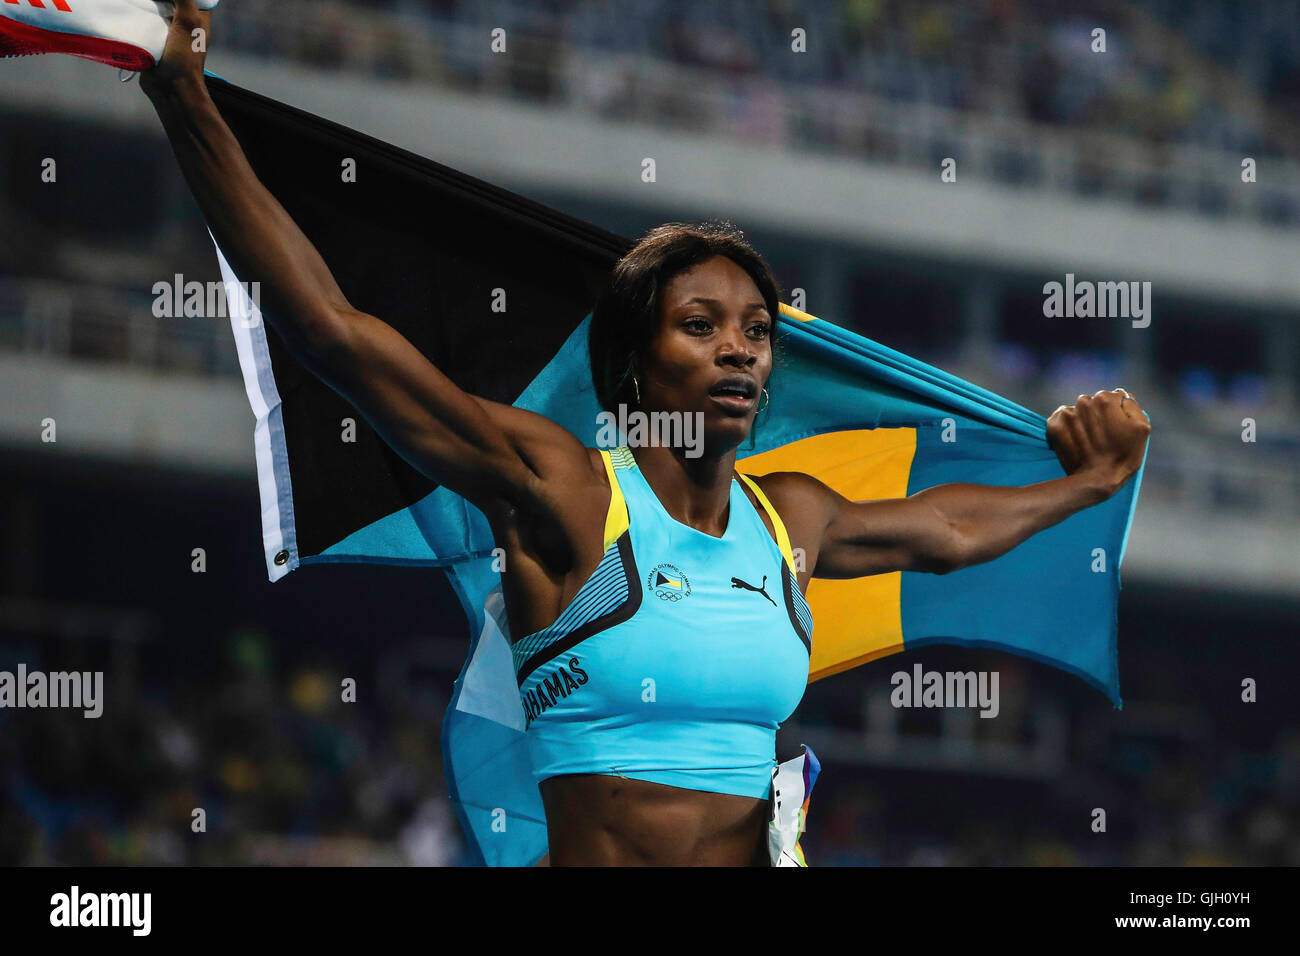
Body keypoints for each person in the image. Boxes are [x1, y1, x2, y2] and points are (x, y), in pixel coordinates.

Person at [141, 1, 1151, 866]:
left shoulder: (788, 516)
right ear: (634, 363)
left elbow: (945, 529)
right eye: (700, 327)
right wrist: (184, 100)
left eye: (756, 332)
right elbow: (337, 333)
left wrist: (1086, 485)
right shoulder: (565, 490)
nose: (740, 353)